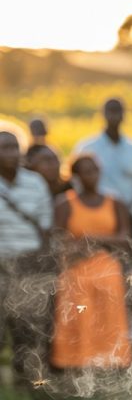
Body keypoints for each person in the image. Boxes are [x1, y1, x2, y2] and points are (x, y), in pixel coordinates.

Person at [49, 154, 132, 370]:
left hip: (107, 271)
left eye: (95, 170)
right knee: (81, 320)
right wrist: (84, 245)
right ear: (76, 176)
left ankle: (109, 366)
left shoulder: (115, 202)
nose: (92, 176)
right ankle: (77, 367)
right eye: (86, 171)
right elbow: (58, 240)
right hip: (76, 270)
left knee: (109, 321)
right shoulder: (65, 203)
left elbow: (125, 239)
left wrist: (91, 239)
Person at [0, 130, 54, 382]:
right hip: (1, 268)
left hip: (29, 268)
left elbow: (46, 230)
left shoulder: (35, 183)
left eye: (14, 147)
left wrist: (39, 271)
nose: (10, 153)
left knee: (29, 336)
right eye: (4, 148)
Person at [75, 98, 132, 212]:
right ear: (102, 114)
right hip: (95, 212)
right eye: (110, 111)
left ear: (124, 115)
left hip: (128, 211)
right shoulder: (87, 147)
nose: (114, 115)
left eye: (118, 111)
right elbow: (76, 182)